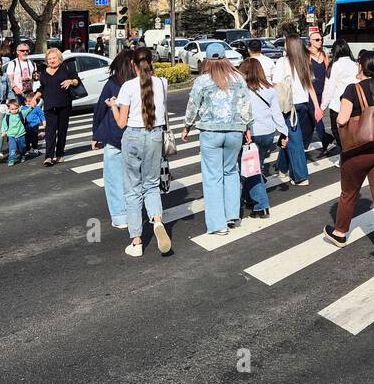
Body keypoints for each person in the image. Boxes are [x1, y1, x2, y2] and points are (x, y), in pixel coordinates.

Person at [324, 50, 374, 263]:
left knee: (349, 193)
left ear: (360, 67)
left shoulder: (352, 90)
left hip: (360, 150)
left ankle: (339, 233)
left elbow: (342, 120)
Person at [181, 43, 253, 237]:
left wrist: (187, 126)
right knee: (231, 171)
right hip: (234, 130)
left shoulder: (202, 81)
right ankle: (232, 215)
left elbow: (193, 105)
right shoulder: (238, 78)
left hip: (210, 131)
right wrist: (248, 127)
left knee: (212, 176)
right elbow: (246, 105)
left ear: (207, 60)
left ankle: (217, 224)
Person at [112, 47, 172, 258]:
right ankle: (156, 222)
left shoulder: (127, 87)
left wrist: (112, 106)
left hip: (133, 136)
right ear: (151, 62)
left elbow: (120, 123)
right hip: (155, 135)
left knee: (132, 189)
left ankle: (136, 242)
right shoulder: (163, 84)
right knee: (152, 185)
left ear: (132, 64)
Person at [91, 49, 134, 230]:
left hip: (114, 135)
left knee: (113, 179)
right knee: (133, 178)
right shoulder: (140, 83)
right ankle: (136, 212)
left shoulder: (112, 83)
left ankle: (120, 216)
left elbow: (100, 109)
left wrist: (95, 134)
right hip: (135, 135)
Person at [240, 58, 287, 219]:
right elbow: (277, 114)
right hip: (267, 134)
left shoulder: (242, 90)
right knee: (254, 167)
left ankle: (261, 205)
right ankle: (249, 197)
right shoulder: (269, 89)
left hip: (250, 134)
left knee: (252, 170)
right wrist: (284, 133)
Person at [271, 34, 318, 186]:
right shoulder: (304, 62)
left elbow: (276, 85)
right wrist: (316, 106)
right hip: (303, 104)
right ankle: (282, 167)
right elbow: (310, 86)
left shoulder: (282, 62)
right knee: (290, 136)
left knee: (294, 140)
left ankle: (300, 176)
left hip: (289, 107)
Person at [36, 47, 80, 165]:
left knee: (62, 131)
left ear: (59, 58)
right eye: (49, 59)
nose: (51, 60)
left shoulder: (66, 68)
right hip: (49, 105)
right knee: (50, 131)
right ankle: (49, 157)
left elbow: (77, 81)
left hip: (64, 104)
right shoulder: (44, 72)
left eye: (54, 58)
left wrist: (70, 81)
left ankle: (60, 154)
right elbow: (43, 87)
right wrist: (36, 97)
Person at [320, 39, 359, 156]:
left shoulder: (335, 66)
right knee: (352, 131)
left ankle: (347, 155)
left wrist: (322, 106)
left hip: (338, 105)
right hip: (354, 104)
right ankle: (351, 153)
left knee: (337, 131)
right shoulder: (356, 64)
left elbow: (329, 89)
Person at [305, 29, 335, 155]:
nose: (320, 41)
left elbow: (328, 73)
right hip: (310, 91)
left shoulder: (324, 54)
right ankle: (326, 140)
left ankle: (306, 143)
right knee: (315, 117)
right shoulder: (306, 55)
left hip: (323, 91)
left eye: (321, 39)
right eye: (317, 40)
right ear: (310, 42)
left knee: (312, 118)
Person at [1, 96, 27, 165]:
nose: (14, 110)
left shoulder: (21, 113)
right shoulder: (7, 116)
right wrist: (3, 131)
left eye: (16, 108)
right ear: (9, 109)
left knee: (22, 147)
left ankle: (22, 155)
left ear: (18, 107)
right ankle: (11, 159)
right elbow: (4, 124)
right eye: (12, 109)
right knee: (12, 148)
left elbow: (28, 111)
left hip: (21, 134)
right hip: (11, 135)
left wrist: (32, 107)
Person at [20, 91, 45, 160]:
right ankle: (27, 149)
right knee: (26, 138)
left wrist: (44, 121)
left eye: (31, 101)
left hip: (34, 125)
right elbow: (20, 116)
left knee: (34, 137)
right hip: (26, 125)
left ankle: (35, 148)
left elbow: (41, 114)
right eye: (27, 101)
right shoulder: (23, 108)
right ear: (25, 101)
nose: (29, 103)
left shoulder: (36, 108)